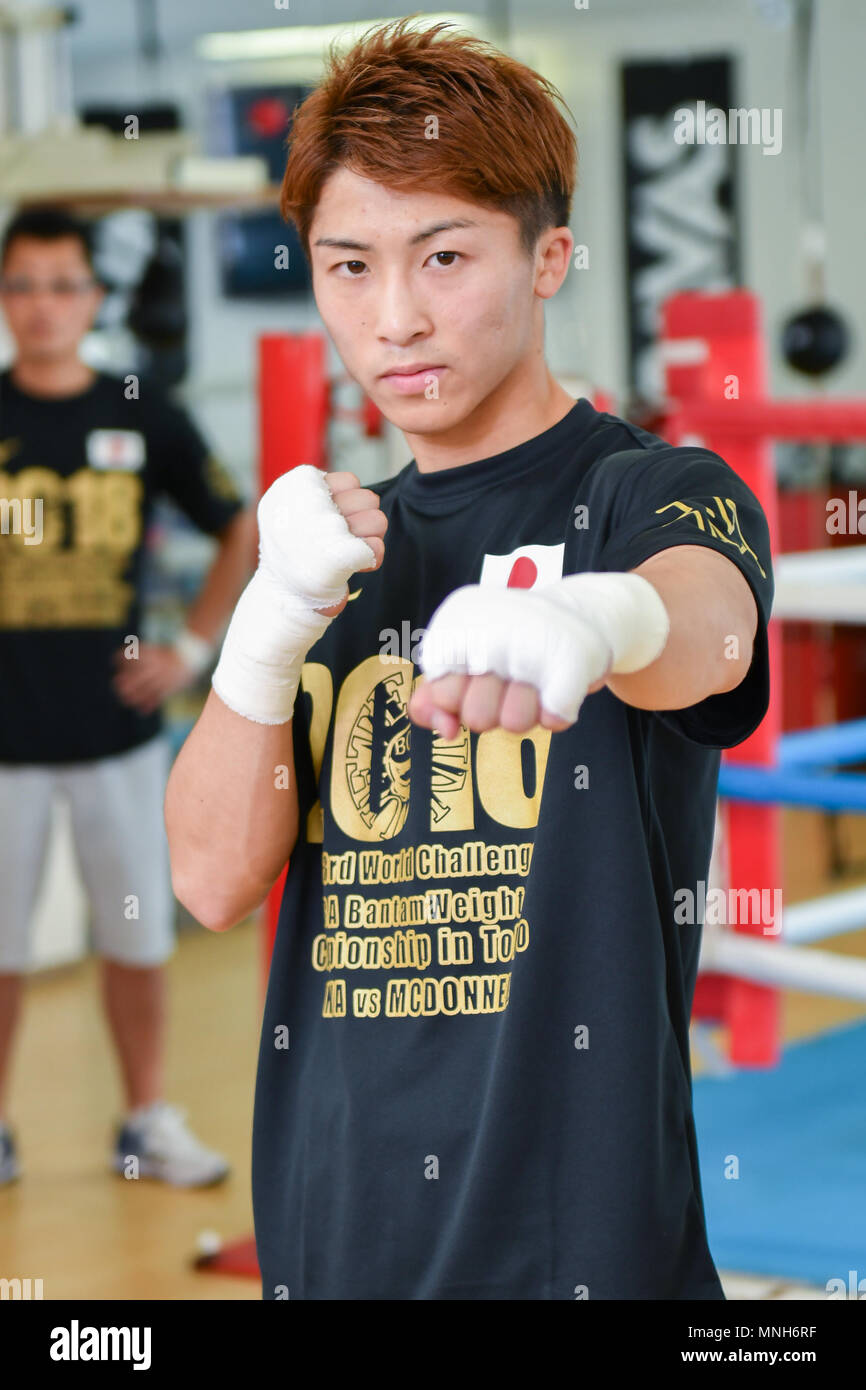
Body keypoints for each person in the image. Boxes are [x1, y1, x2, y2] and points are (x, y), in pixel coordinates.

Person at [165, 19, 773, 1297]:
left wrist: (600, 623)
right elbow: (211, 880)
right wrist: (264, 631)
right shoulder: (328, 555)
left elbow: (707, 629)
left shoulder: (647, 494)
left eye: (443, 257)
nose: (394, 318)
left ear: (547, 258)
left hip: (577, 1249)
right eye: (348, 266)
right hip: (334, 1236)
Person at [0, 207, 257, 1188]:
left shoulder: (141, 410)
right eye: (23, 285)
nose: (43, 306)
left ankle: (146, 1120)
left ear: (95, 299)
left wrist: (191, 647)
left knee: (136, 935)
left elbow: (238, 526)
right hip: (5, 742)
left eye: (63, 285)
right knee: (2, 951)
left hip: (117, 731)